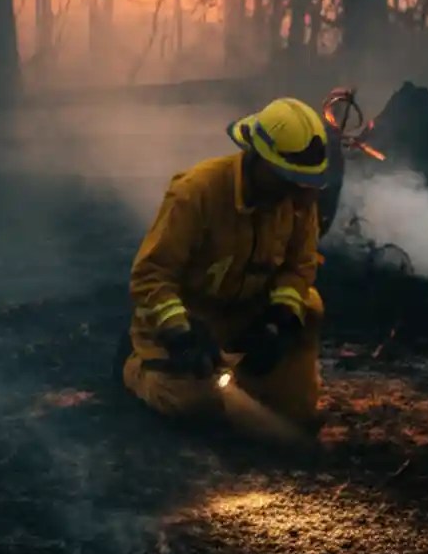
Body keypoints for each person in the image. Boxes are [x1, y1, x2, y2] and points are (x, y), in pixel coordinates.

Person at [120, 97, 329, 439]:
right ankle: (134, 369)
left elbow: (299, 266)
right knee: (194, 404)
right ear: (258, 159)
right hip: (190, 319)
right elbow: (150, 276)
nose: (297, 191)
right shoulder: (196, 193)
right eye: (287, 178)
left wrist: (277, 321)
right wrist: (180, 333)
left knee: (310, 309)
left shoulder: (296, 199)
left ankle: (256, 384)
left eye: (303, 181)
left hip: (246, 313)